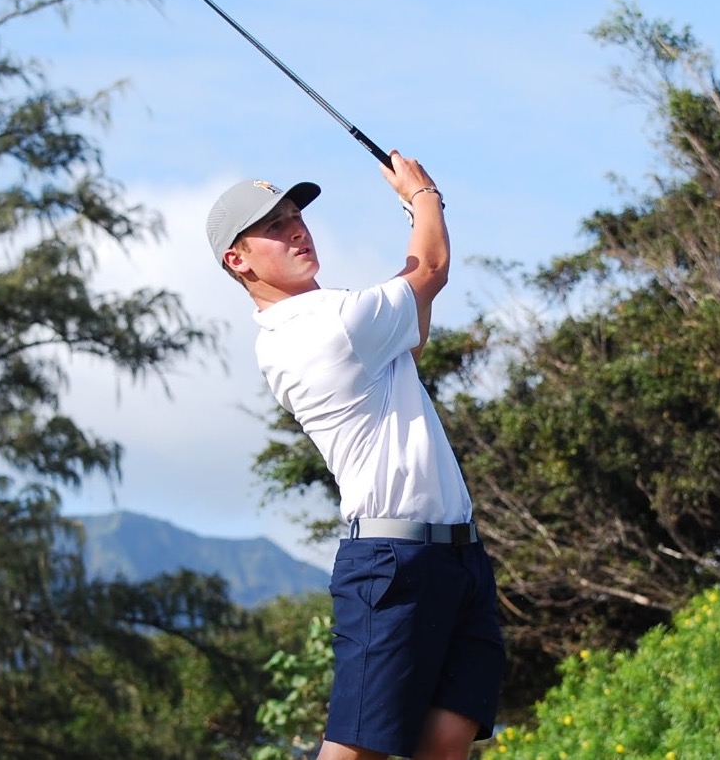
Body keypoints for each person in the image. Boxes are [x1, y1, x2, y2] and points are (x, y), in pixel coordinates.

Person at [205, 152, 505, 760]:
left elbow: (413, 324)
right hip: (393, 562)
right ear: (236, 260)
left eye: (296, 215)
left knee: (450, 735)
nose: (297, 228)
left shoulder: (345, 318)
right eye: (274, 225)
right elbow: (432, 268)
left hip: (457, 555)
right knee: (353, 752)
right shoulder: (321, 326)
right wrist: (423, 196)